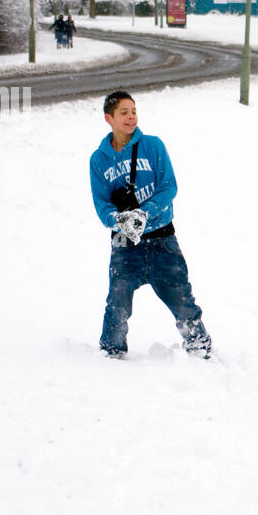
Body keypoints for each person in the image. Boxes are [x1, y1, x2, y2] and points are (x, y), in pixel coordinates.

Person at [89, 90, 212, 360]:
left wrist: (144, 214)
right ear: (108, 118)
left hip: (162, 238)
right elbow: (102, 205)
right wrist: (120, 220)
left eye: (133, 111)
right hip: (125, 242)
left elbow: (169, 187)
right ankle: (111, 353)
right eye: (124, 112)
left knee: (181, 298)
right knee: (117, 302)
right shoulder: (98, 160)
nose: (131, 117)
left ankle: (199, 347)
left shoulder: (153, 146)